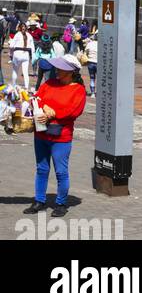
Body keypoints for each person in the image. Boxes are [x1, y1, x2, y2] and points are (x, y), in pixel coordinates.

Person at [27, 53, 88, 215]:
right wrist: (44, 108)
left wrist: (53, 114)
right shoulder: (49, 83)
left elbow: (73, 111)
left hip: (61, 137)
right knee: (41, 169)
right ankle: (39, 201)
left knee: (61, 171)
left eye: (61, 68)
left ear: (70, 72)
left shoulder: (78, 90)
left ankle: (61, 203)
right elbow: (37, 98)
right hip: (41, 133)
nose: (57, 70)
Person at [10, 23, 32, 91]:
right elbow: (32, 48)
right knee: (25, 72)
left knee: (15, 71)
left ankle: (13, 86)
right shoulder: (29, 35)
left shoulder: (17, 34)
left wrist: (11, 54)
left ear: (19, 28)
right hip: (26, 55)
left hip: (17, 54)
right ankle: (26, 88)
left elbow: (11, 46)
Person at [84, 31, 98, 97]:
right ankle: (99, 92)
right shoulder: (101, 44)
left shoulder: (90, 44)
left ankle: (92, 93)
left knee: (92, 78)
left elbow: (85, 52)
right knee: (101, 78)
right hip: (98, 63)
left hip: (90, 62)